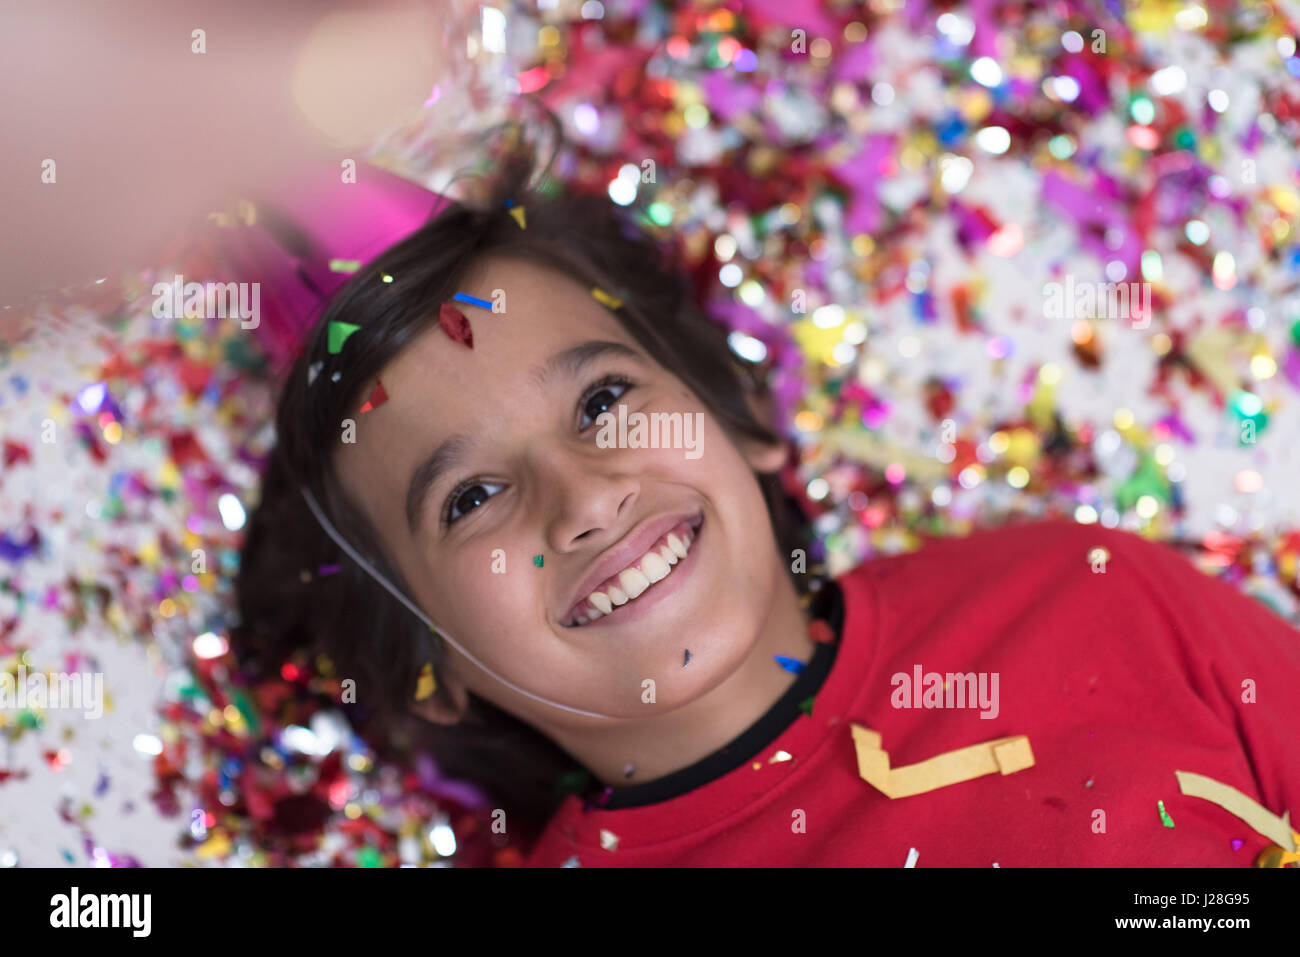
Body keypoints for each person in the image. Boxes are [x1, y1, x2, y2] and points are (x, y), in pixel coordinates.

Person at [235, 137, 1300, 867]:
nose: (584, 499)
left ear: (739, 413)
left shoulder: (1080, 595)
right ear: (424, 670)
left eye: (603, 400)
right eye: (468, 497)